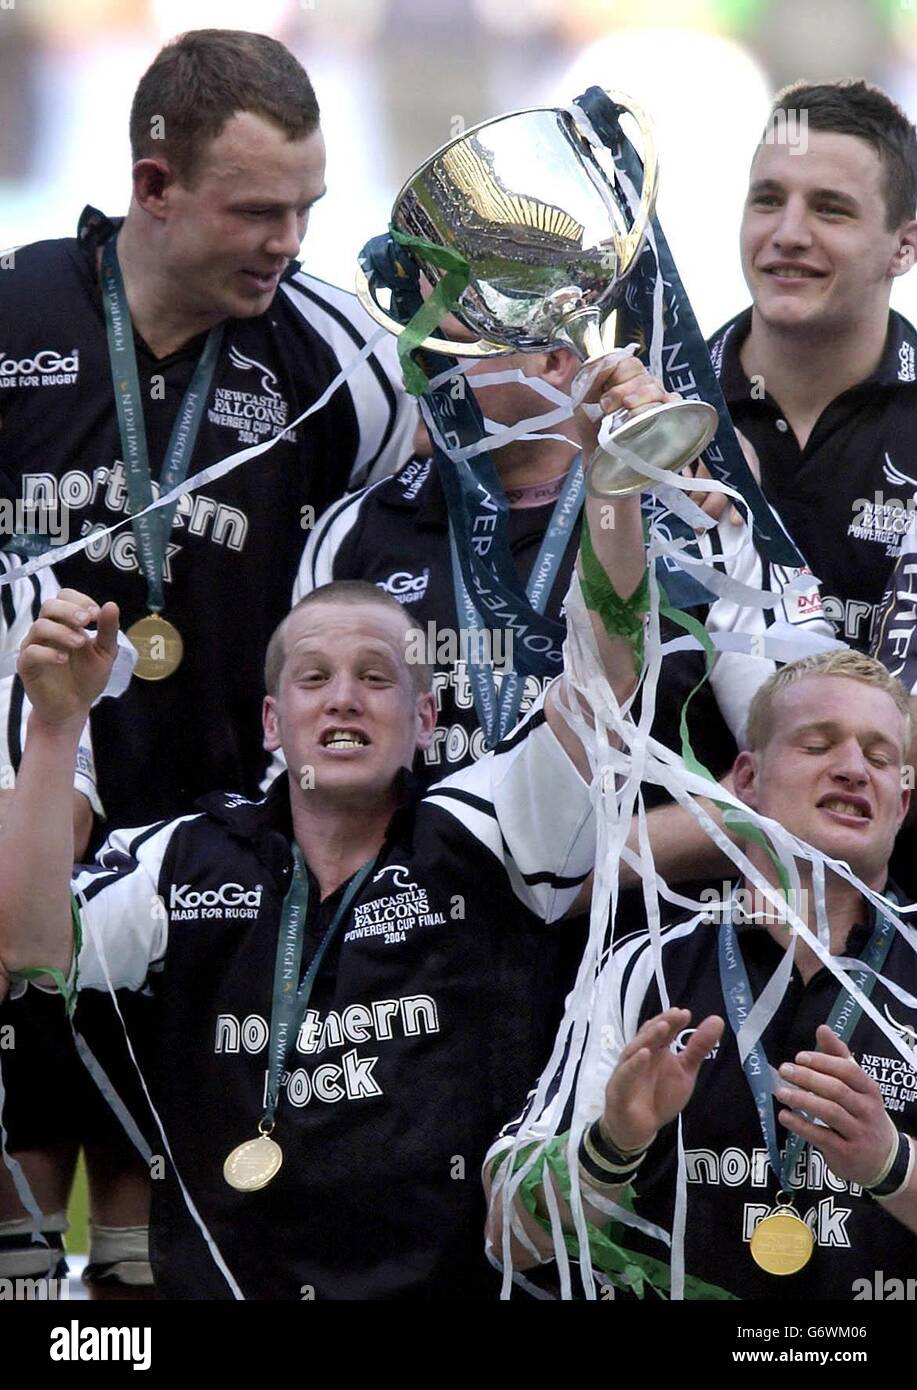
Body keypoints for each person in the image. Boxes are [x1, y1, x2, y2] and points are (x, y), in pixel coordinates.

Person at [0, 359, 656, 1299]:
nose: (343, 698)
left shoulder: (489, 829)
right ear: (272, 723)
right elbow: (28, 941)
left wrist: (612, 489)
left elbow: (606, 683)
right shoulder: (183, 858)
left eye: (378, 678)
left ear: (426, 723)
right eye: (312, 679)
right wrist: (57, 726)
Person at [0, 27, 416, 1299]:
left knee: (152, 1258)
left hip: (216, 877)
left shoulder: (341, 361)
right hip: (21, 838)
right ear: (153, 185)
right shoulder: (11, 311)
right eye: (254, 209)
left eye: (306, 208)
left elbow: (432, 536)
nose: (286, 241)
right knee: (21, 1231)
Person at [486, 648, 917, 1300]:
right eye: (817, 744)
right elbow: (508, 1239)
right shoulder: (644, 969)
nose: (854, 769)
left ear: (902, 803)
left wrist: (893, 1166)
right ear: (745, 779)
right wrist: (612, 1146)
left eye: (879, 757)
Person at [707, 79, 917, 655]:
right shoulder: (665, 408)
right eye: (768, 200)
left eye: (830, 209)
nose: (788, 234)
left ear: (904, 247)